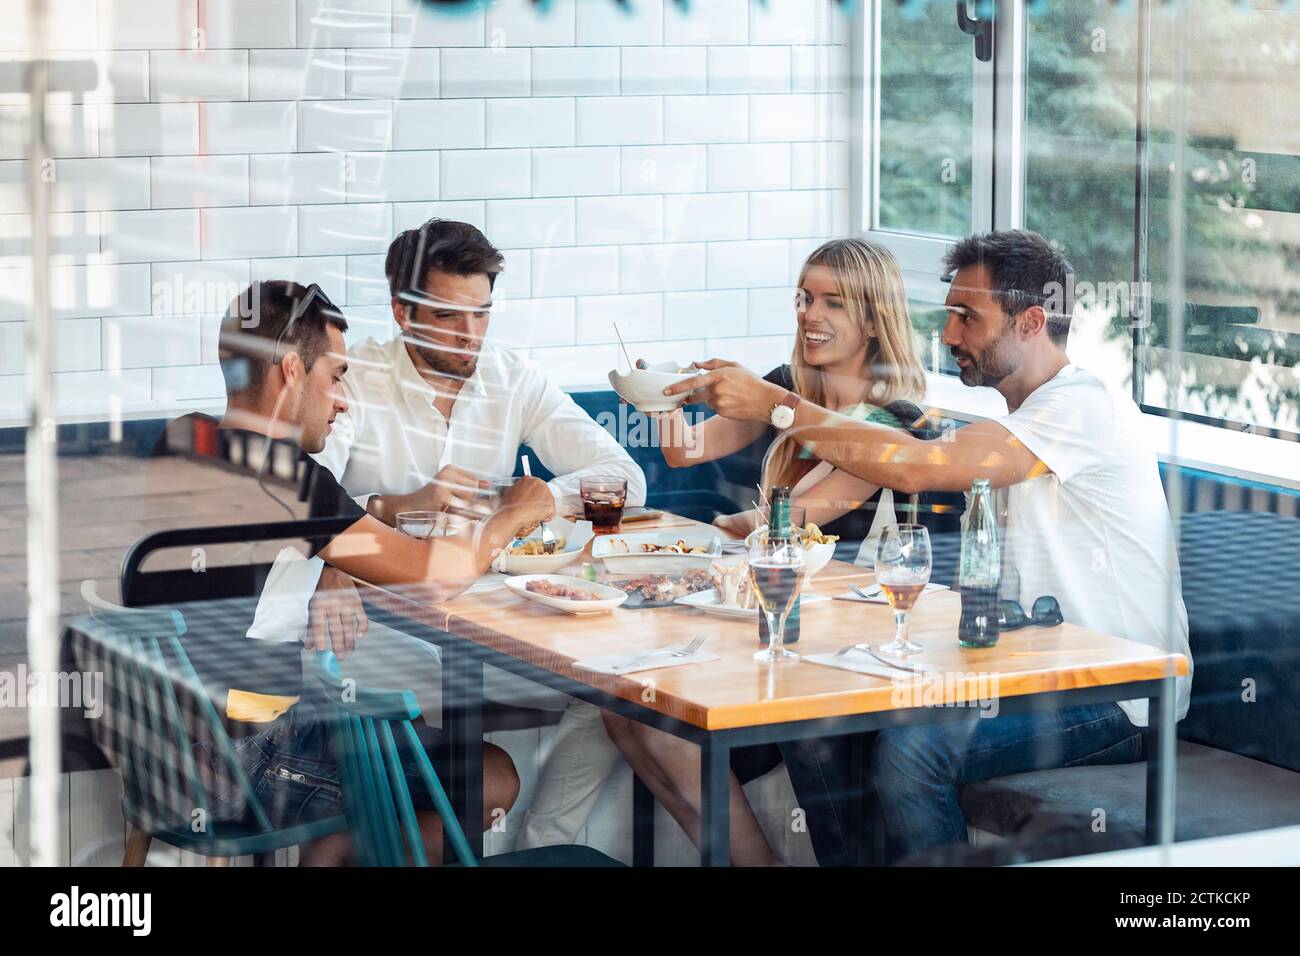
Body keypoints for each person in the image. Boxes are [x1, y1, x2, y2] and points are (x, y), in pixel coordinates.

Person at [659, 229, 1193, 864]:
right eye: (948, 314)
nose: (947, 335)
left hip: (1115, 692)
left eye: (967, 317)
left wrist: (777, 405)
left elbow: (915, 467)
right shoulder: (1015, 420)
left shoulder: (1083, 408)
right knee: (813, 721)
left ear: (1031, 321)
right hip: (1017, 666)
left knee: (914, 751)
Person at [148, 280, 555, 865]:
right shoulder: (288, 478)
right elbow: (431, 575)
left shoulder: (186, 436)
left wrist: (374, 522)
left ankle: (333, 853)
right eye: (336, 377)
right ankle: (336, 853)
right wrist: (513, 515)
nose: (343, 400)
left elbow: (261, 550)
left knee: (364, 765)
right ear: (292, 370)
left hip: (154, 747)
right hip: (237, 767)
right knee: (490, 778)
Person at [310, 218, 646, 851]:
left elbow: (624, 476)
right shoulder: (355, 379)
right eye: (448, 316)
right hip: (380, 631)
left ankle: (544, 846)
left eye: (482, 315)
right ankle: (368, 848)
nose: (471, 336)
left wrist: (525, 503)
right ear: (402, 312)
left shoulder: (512, 378)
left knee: (614, 684)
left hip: (493, 626)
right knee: (479, 748)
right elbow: (309, 500)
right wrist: (357, 541)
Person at [601, 238, 928, 865]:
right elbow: (683, 452)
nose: (810, 314)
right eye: (805, 298)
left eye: (833, 301)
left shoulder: (891, 421)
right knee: (629, 711)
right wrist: (661, 395)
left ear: (873, 316)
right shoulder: (786, 389)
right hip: (771, 626)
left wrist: (709, 533)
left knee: (656, 711)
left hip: (843, 650)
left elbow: (781, 525)